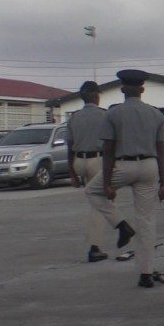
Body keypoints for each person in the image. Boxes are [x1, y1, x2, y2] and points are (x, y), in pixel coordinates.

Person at [84, 70, 164, 288]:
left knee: (92, 191)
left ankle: (121, 225)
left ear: (122, 89)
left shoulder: (113, 114)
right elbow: (161, 151)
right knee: (146, 221)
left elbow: (108, 150)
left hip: (123, 164)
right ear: (142, 89)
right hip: (149, 166)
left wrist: (106, 184)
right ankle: (146, 274)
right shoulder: (156, 114)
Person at [67, 80, 109, 263]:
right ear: (97, 95)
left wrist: (72, 173)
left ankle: (95, 243)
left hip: (79, 160)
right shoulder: (104, 115)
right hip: (97, 160)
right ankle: (94, 247)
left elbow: (69, 146)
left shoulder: (74, 117)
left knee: (94, 201)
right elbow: (110, 143)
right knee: (99, 204)